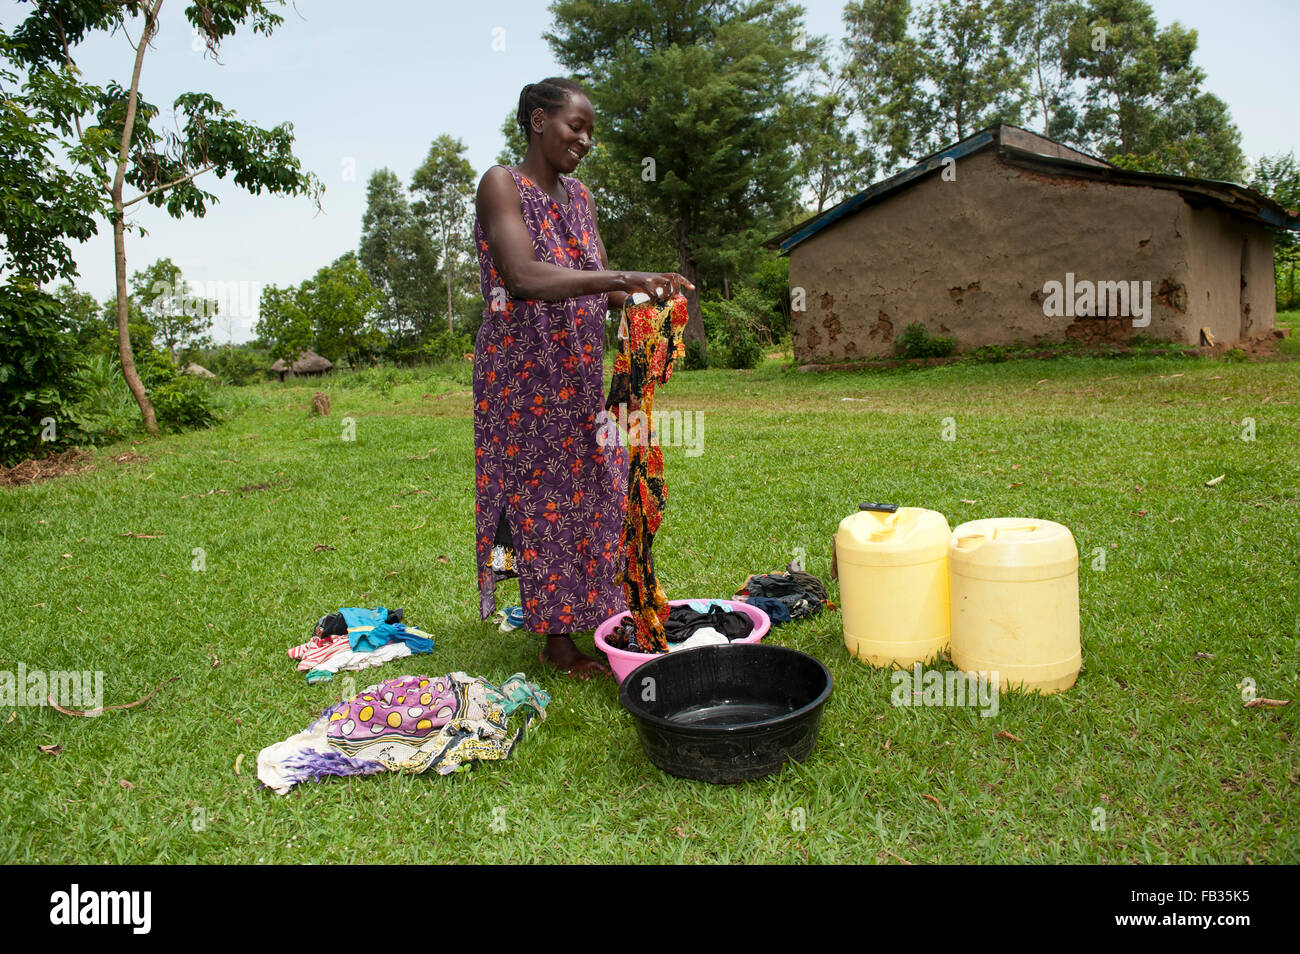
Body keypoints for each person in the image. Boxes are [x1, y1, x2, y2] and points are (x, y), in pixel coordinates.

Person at [472, 77, 694, 679]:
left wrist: (644, 296)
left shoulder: (581, 198)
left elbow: (594, 280)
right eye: (576, 125)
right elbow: (523, 274)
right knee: (542, 497)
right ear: (539, 121)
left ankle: (601, 614)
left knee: (601, 484)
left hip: (576, 363)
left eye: (591, 129)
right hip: (520, 373)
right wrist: (620, 277)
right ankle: (558, 641)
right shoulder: (501, 184)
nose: (586, 139)